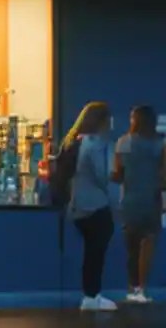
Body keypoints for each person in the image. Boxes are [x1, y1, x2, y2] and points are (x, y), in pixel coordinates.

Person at [63, 101, 118, 312]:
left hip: (78, 206)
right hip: (96, 206)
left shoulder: (73, 142)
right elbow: (102, 176)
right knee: (96, 254)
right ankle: (92, 295)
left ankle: (90, 294)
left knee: (90, 253)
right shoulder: (94, 144)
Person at [113, 106, 165, 305]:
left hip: (129, 200)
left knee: (131, 247)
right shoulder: (160, 145)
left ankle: (131, 288)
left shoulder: (123, 142)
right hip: (151, 200)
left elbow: (118, 174)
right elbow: (164, 177)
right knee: (148, 244)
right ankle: (142, 289)